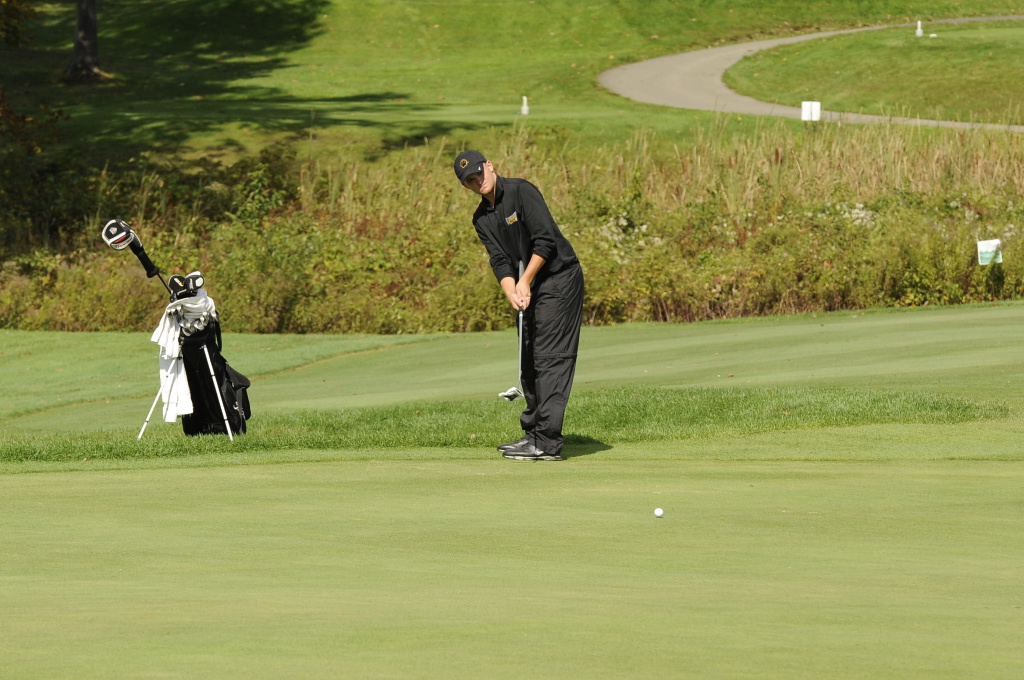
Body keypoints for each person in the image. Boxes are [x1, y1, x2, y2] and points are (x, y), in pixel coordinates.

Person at [453, 149, 584, 462]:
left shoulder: (521, 192)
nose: (477, 181)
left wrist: (525, 280)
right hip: (529, 284)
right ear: (466, 186)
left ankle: (547, 443)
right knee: (528, 357)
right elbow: (499, 259)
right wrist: (511, 289)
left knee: (549, 358)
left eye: (479, 173)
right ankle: (533, 434)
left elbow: (546, 241)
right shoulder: (480, 218)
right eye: (470, 180)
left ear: (490, 166)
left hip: (559, 277)